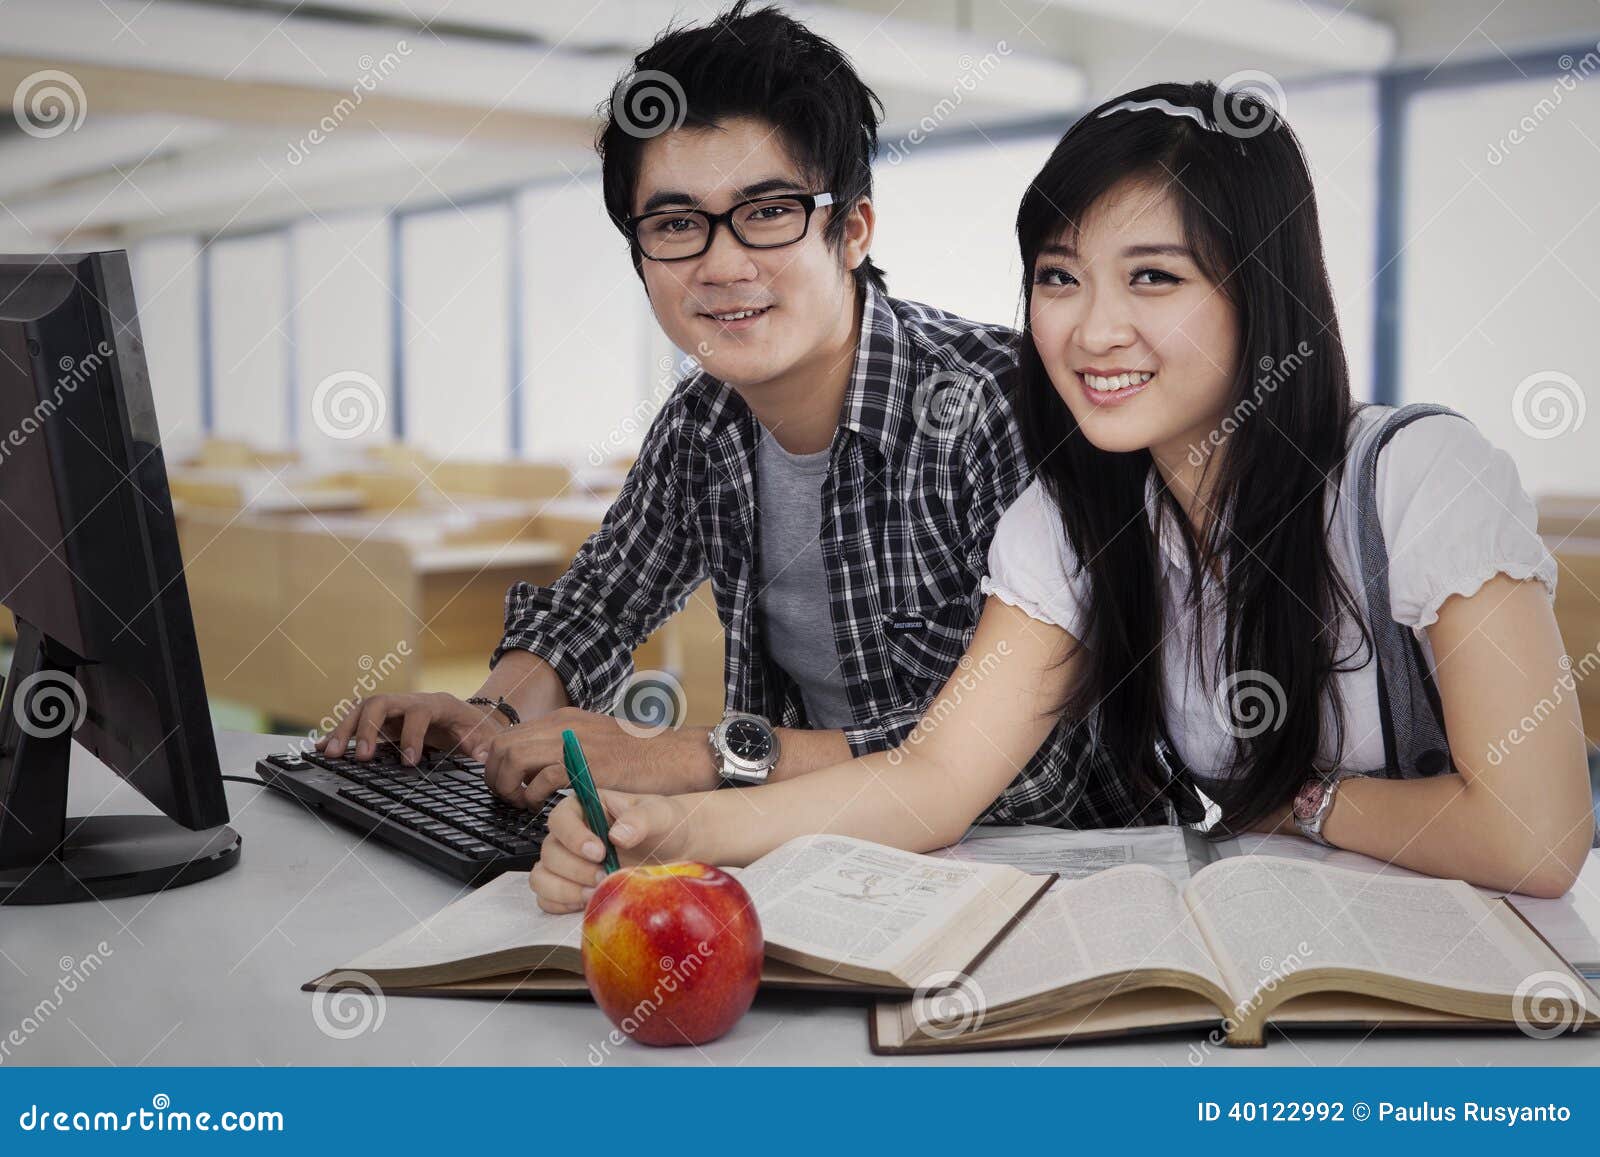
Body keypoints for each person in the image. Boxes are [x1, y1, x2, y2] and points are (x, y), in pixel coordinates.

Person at [530, 80, 1595, 909]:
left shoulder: (1415, 481)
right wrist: (672, 831)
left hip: (1482, 988)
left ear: (1261, 293)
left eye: (1154, 277)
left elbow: (1536, 836)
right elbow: (934, 776)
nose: (1090, 331)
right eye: (1057, 275)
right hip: (1263, 954)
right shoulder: (1071, 519)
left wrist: (1294, 799)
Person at [317, 3, 1146, 829]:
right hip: (824, 859)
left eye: (767, 212)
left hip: (1068, 876)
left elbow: (1033, 773)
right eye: (676, 224)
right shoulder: (704, 421)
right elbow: (600, 604)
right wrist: (492, 718)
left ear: (851, 229)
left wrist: (693, 755)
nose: (720, 263)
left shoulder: (997, 405)